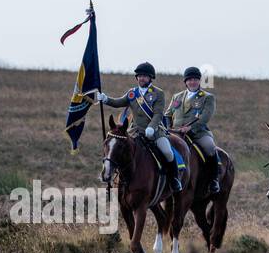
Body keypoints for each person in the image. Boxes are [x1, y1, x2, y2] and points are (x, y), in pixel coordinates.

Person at [93, 62, 183, 192]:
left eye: (145, 76)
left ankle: (174, 179)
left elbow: (158, 114)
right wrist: (106, 99)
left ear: (150, 78)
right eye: (139, 76)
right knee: (117, 150)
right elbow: (119, 102)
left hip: (155, 131)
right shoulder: (132, 93)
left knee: (167, 152)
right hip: (134, 131)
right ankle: (113, 179)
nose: (141, 78)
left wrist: (151, 127)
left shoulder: (158, 93)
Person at [166, 66, 223, 195]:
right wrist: (168, 128)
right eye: (190, 79)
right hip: (176, 133)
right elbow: (168, 114)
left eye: (195, 79)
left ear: (199, 81)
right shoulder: (177, 96)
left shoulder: (207, 97)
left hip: (198, 133)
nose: (192, 82)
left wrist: (190, 127)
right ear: (185, 81)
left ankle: (214, 180)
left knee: (210, 148)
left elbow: (205, 117)